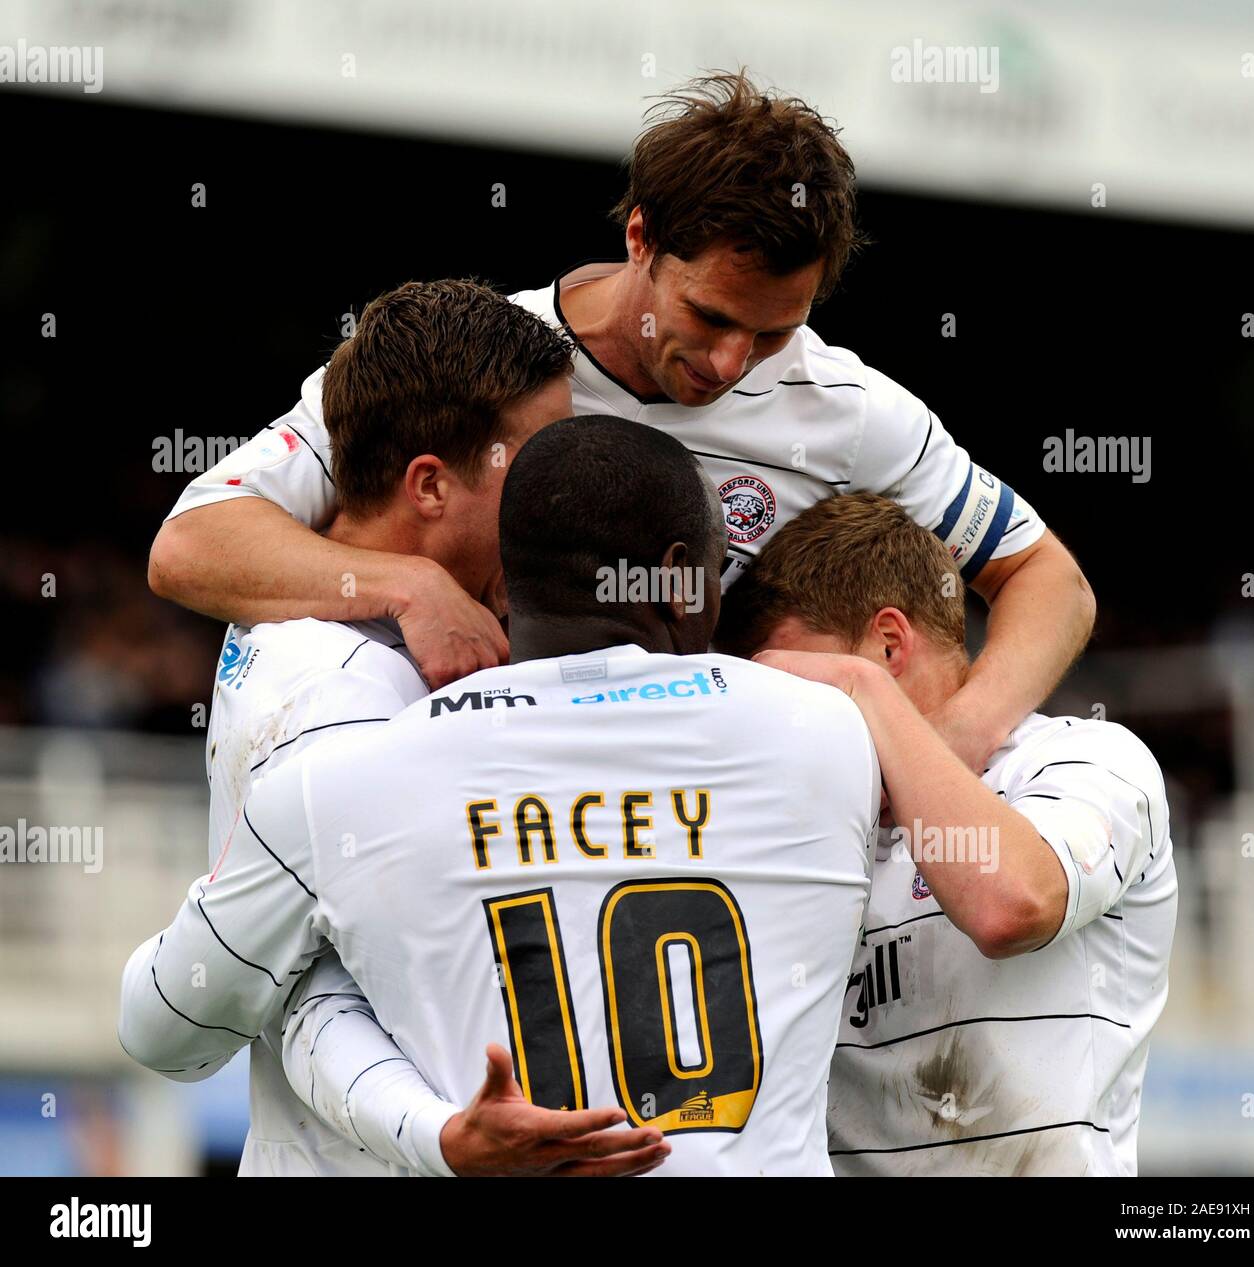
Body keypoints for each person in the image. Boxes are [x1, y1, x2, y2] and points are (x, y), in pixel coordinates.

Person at [146, 71, 1094, 773]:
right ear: (641, 239)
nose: (731, 365)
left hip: (691, 832)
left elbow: (1049, 579)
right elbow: (192, 545)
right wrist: (406, 587)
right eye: (712, 318)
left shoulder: (847, 412)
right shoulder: (480, 361)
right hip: (469, 809)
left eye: (775, 331)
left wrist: (956, 739)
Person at [121, 416, 882, 1176]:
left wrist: (306, 970)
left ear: (501, 579)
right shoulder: (829, 734)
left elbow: (161, 1031)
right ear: (680, 578)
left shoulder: (339, 785)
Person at [120, 280, 664, 1178]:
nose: (561, 494)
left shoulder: (315, 595)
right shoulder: (338, 699)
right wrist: (442, 1139)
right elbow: (252, 1010)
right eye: (537, 464)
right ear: (429, 484)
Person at [715, 492, 1177, 1175]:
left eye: (798, 680)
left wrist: (859, 689)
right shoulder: (802, 817)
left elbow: (1009, 903)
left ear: (889, 643)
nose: (787, 717)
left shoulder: (1086, 761)